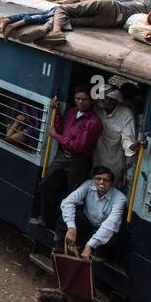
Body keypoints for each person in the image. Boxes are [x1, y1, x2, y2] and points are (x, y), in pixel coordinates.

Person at [31, 90, 103, 230]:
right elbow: (61, 128)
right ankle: (48, 220)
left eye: (84, 99)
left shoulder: (94, 122)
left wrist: (55, 136)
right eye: (78, 98)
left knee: (73, 196)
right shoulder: (71, 112)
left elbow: (78, 146)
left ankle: (65, 228)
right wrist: (56, 112)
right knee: (45, 185)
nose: (81, 102)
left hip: (79, 161)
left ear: (91, 101)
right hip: (63, 155)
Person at [0, 0, 151, 43]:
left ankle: (55, 30)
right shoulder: (147, 12)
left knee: (60, 9)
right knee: (64, 18)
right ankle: (46, 28)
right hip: (111, 22)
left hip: (111, 6)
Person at [60, 165, 128, 261]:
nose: (101, 182)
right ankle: (62, 246)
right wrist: (71, 227)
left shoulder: (120, 198)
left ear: (112, 183)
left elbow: (110, 224)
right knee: (71, 215)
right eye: (98, 179)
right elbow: (68, 202)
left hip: (103, 231)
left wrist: (89, 245)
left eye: (106, 180)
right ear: (93, 179)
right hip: (87, 225)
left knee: (113, 235)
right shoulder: (88, 185)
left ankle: (98, 253)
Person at [94, 88, 138, 188]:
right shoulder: (96, 108)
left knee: (107, 187)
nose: (108, 102)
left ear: (118, 101)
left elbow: (127, 138)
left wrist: (131, 147)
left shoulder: (126, 114)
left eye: (112, 99)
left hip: (112, 161)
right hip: (94, 155)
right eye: (105, 99)